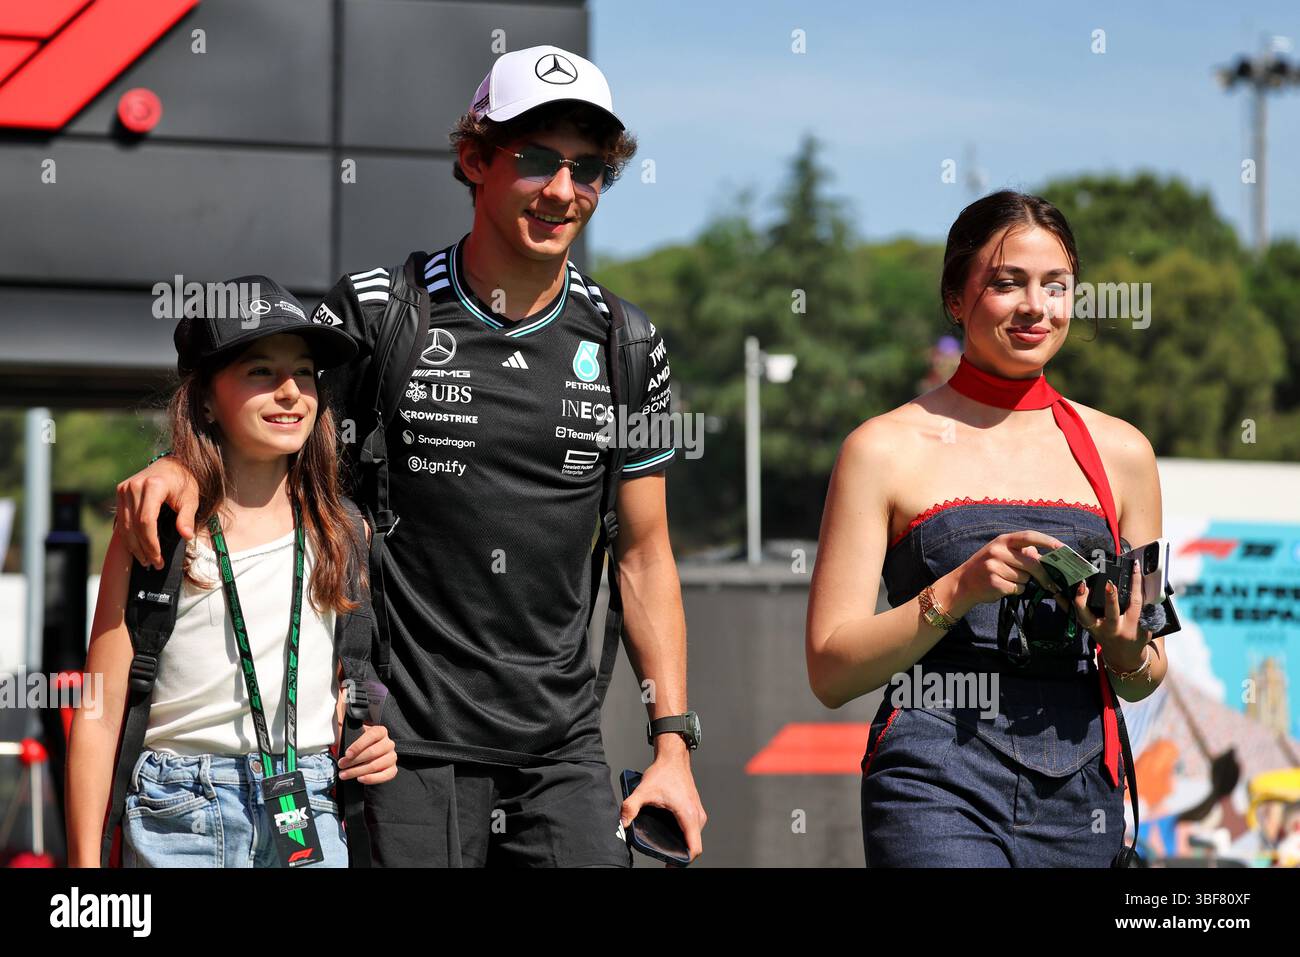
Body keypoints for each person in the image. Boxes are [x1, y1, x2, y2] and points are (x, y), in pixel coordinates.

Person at [111, 46, 706, 867]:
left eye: (589, 169)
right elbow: (269, 426)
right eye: (534, 160)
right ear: (474, 159)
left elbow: (643, 557)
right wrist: (186, 462)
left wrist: (673, 743)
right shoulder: (379, 309)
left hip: (562, 754)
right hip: (399, 748)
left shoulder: (626, 342)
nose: (563, 191)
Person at [806, 190, 1168, 867]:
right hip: (934, 776)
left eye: (1055, 286)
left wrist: (1123, 647)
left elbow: (1147, 673)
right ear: (954, 296)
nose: (1037, 306)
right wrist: (960, 587)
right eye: (1008, 283)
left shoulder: (1124, 453)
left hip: (1083, 792)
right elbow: (829, 669)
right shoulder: (880, 447)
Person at [67, 279, 397, 867]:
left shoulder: (344, 529)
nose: (291, 392)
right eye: (260, 372)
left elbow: (360, 674)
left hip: (310, 802)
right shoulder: (158, 526)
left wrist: (375, 728)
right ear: (206, 400)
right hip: (178, 809)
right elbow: (100, 709)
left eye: (305, 373)